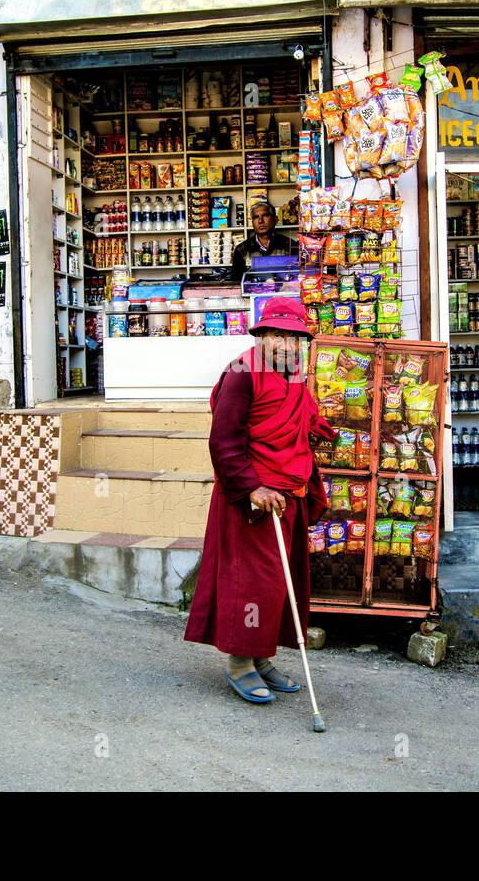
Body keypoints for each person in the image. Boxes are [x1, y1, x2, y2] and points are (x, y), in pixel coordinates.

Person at [183, 296, 336, 703]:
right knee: (253, 581)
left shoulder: (295, 375)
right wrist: (252, 487)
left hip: (288, 495)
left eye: (294, 337)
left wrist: (320, 427)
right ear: (262, 336)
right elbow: (224, 441)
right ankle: (238, 662)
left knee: (279, 585)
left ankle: (261, 658)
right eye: (277, 335)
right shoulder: (241, 374)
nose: (286, 345)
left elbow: (298, 415)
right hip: (255, 498)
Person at [229, 201, 296, 284]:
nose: (260, 221)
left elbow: (296, 278)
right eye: (256, 217)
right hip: (253, 294)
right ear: (252, 223)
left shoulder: (290, 245)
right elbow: (236, 282)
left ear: (275, 219)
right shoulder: (242, 250)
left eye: (265, 216)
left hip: (283, 294)